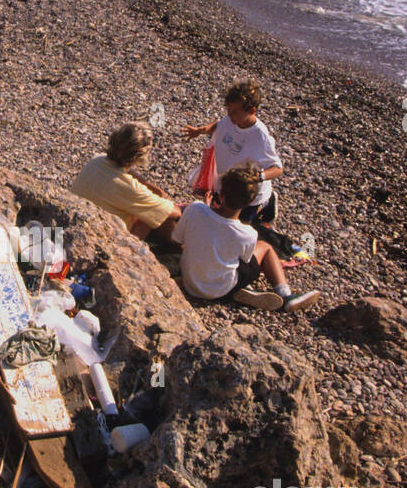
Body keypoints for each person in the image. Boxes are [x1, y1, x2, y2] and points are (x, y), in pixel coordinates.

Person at [171, 163, 319, 312]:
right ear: (250, 202)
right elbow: (245, 260)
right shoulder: (247, 233)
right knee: (265, 248)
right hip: (222, 289)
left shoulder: (195, 208)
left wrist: (207, 209)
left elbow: (178, 239)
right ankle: (285, 295)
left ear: (220, 193)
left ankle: (242, 290)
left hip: (190, 284)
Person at [184, 78, 283, 224]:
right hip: (226, 183)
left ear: (251, 110)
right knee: (220, 217)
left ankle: (267, 203)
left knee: (240, 225)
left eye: (235, 112)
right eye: (228, 110)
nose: (230, 115)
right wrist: (201, 130)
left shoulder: (260, 137)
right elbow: (219, 125)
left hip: (248, 195)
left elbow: (277, 169)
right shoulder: (231, 119)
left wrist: (259, 176)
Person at [72, 122, 182, 243]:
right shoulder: (130, 188)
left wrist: (152, 188)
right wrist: (165, 199)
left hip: (77, 223)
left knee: (150, 210)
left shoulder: (96, 161)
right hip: (103, 239)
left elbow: (126, 171)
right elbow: (175, 213)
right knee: (150, 216)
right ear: (140, 155)